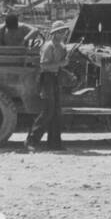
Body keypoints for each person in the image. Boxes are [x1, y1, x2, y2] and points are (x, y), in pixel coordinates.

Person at [26, 21, 70, 151]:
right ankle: (31, 140)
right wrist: (62, 64)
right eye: (61, 32)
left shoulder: (61, 46)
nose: (63, 34)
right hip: (47, 79)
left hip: (55, 78)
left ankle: (55, 143)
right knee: (47, 111)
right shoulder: (48, 47)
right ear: (55, 33)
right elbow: (44, 66)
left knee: (56, 112)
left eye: (64, 32)